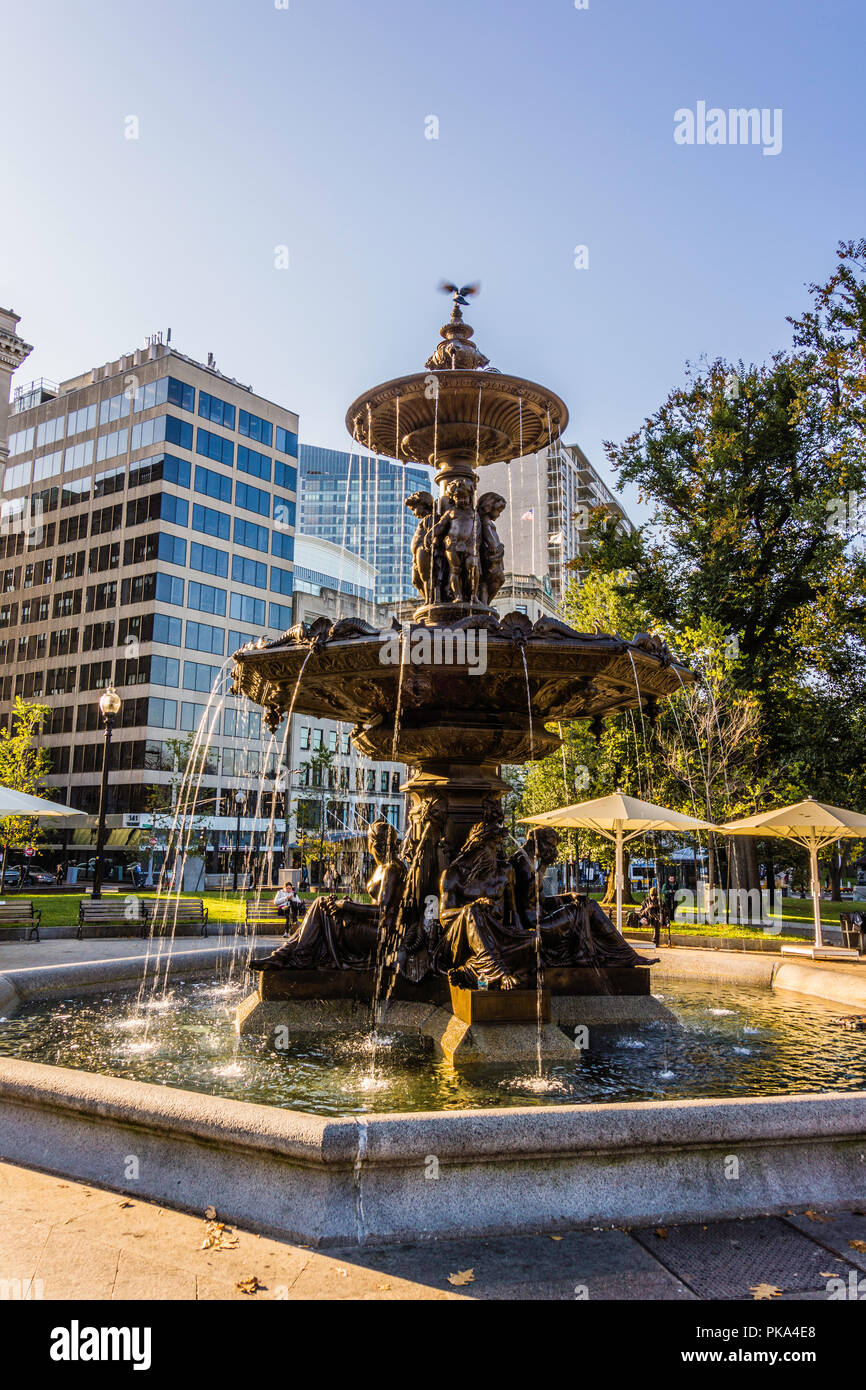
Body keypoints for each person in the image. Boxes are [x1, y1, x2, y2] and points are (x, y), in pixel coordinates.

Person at [251, 822, 406, 972]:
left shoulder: (391, 869)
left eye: (368, 841)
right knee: (323, 904)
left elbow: (382, 910)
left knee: (320, 905)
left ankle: (291, 956)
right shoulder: (383, 867)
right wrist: (347, 904)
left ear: (374, 843)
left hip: (380, 933)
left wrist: (345, 906)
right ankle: (284, 955)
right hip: (372, 926)